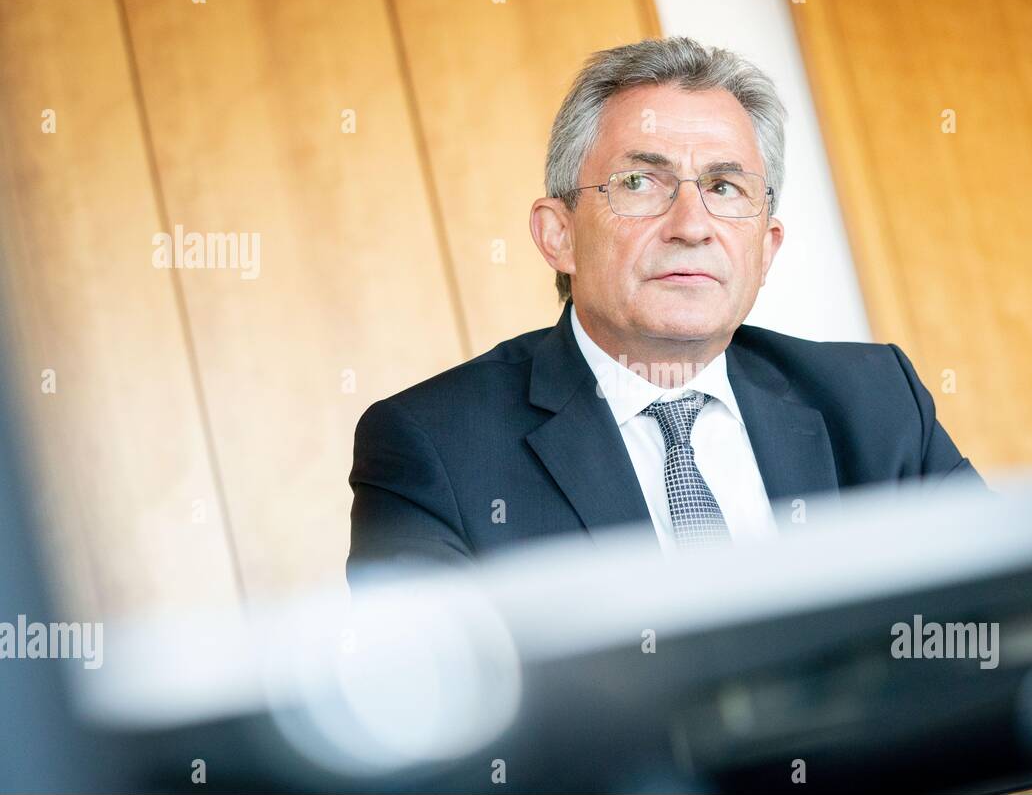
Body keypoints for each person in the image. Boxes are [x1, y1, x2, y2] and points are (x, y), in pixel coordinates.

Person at [347, 36, 982, 582]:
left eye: (724, 187)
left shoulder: (879, 404)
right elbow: (436, 701)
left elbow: (1003, 629)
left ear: (766, 247)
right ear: (558, 234)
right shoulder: (433, 446)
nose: (691, 225)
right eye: (639, 182)